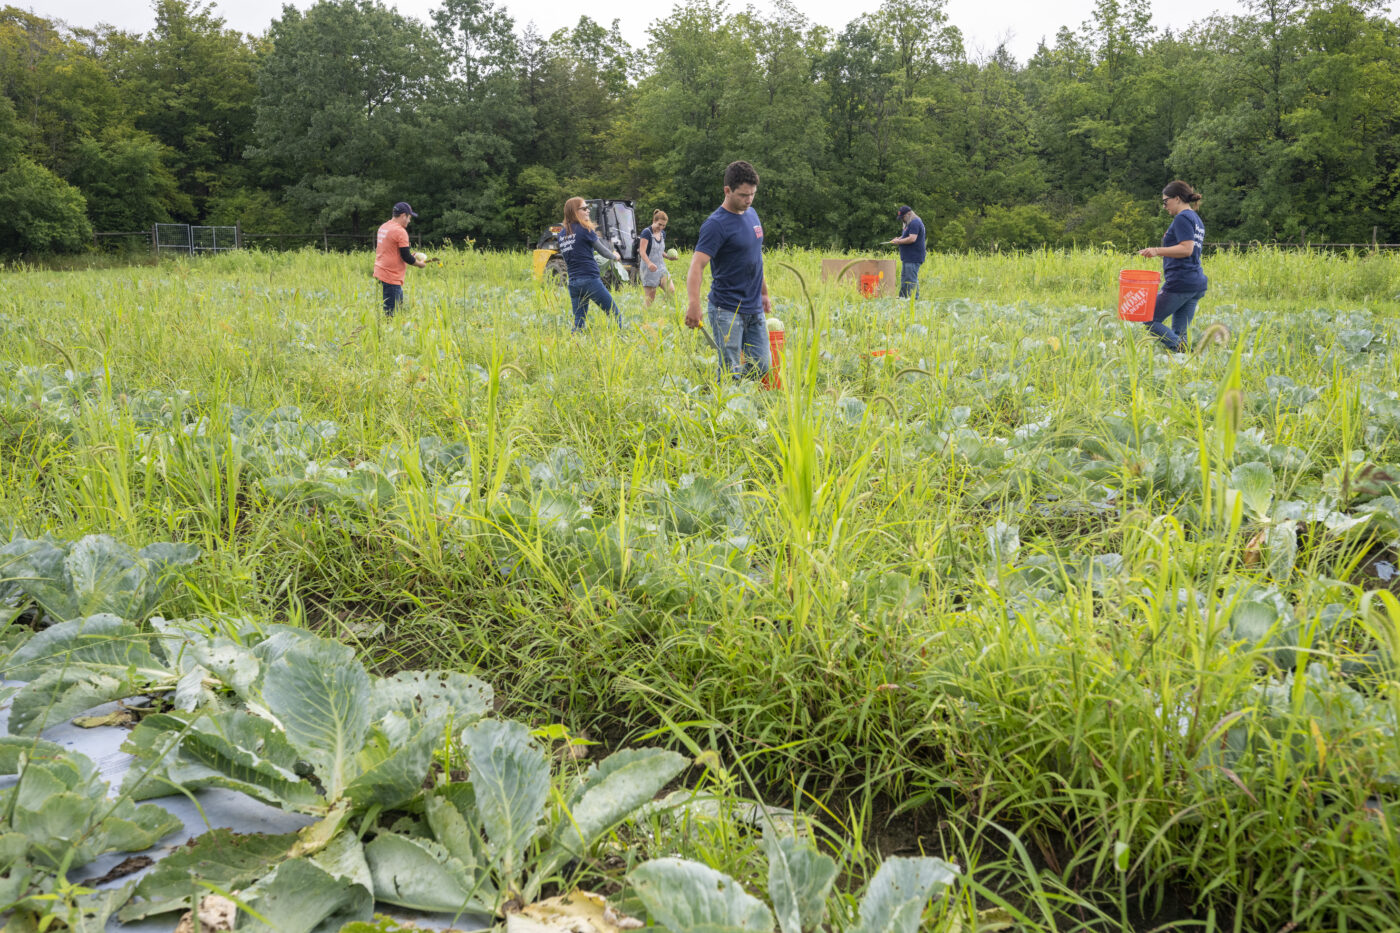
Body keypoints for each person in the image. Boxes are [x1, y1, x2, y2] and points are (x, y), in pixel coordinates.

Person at [685, 161, 770, 382]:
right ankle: (725, 407)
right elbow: (697, 266)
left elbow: (756, 258)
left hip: (754, 307)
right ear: (727, 190)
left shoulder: (752, 215)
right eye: (743, 195)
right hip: (727, 310)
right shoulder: (716, 224)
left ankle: (738, 398)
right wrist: (694, 304)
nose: (749, 200)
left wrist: (764, 293)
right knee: (730, 370)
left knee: (761, 365)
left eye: (752, 194)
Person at [1138, 180, 1207, 352]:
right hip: (1194, 283)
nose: (1164, 206)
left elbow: (1186, 249)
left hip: (1180, 282)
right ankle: (1184, 364)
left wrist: (1156, 250)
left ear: (1176, 198)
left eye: (1165, 201)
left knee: (1148, 318)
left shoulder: (1182, 218)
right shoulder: (1196, 219)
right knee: (1179, 332)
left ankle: (1185, 351)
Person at [558, 197, 622, 332]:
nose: (588, 211)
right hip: (589, 280)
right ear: (575, 211)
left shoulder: (562, 234)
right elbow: (603, 250)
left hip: (574, 283)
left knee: (579, 322)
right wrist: (614, 256)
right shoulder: (584, 229)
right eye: (584, 208)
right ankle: (620, 341)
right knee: (615, 314)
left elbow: (566, 257)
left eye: (588, 208)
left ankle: (574, 345)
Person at [374, 201, 427, 316]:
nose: (409, 221)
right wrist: (420, 264)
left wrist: (408, 256)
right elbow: (406, 257)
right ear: (403, 216)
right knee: (392, 314)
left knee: (394, 307)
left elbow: (391, 250)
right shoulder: (400, 231)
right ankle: (389, 331)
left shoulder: (383, 227)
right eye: (409, 217)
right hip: (391, 276)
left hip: (381, 273)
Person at [888, 205, 926, 299]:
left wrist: (898, 242)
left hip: (913, 257)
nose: (902, 219)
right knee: (905, 278)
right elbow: (905, 236)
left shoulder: (915, 222)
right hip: (907, 257)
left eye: (903, 217)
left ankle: (914, 299)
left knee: (911, 279)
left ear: (909, 214)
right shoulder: (909, 223)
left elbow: (912, 238)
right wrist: (898, 238)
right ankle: (903, 298)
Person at [639, 209, 675, 306]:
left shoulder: (663, 234)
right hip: (649, 269)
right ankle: (646, 318)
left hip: (661, 267)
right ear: (654, 221)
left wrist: (668, 256)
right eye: (659, 224)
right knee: (650, 300)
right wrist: (649, 263)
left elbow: (659, 250)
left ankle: (661, 309)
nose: (661, 227)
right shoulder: (646, 233)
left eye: (664, 225)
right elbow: (642, 251)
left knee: (671, 290)